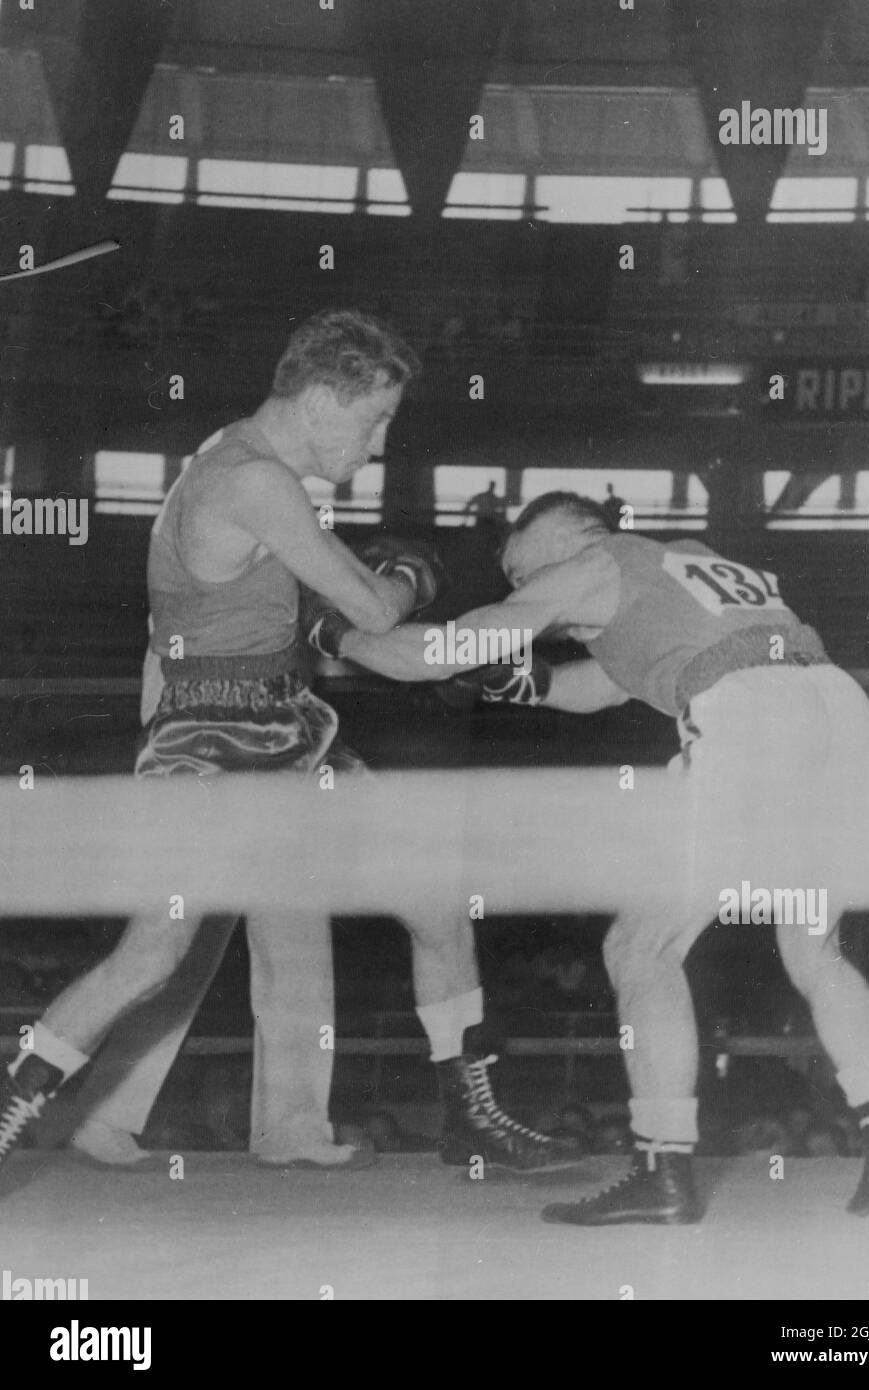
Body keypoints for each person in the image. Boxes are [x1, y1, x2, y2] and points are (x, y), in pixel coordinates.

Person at [0, 316, 579, 1182]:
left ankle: (471, 1112)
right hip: (209, 744)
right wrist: (414, 573)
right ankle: (15, 1105)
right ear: (318, 398)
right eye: (374, 419)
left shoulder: (239, 464)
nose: (381, 444)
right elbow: (378, 612)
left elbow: (302, 625)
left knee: (434, 899)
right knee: (151, 954)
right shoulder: (254, 481)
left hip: (289, 734)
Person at [323, 488, 869, 1224]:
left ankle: (662, 1168)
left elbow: (442, 652)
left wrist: (338, 637)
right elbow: (608, 684)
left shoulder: (598, 559)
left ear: (568, 539)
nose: (527, 595)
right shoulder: (687, 566)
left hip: (750, 719)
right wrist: (529, 686)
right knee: (815, 950)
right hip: (835, 709)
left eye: (523, 574)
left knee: (640, 947)